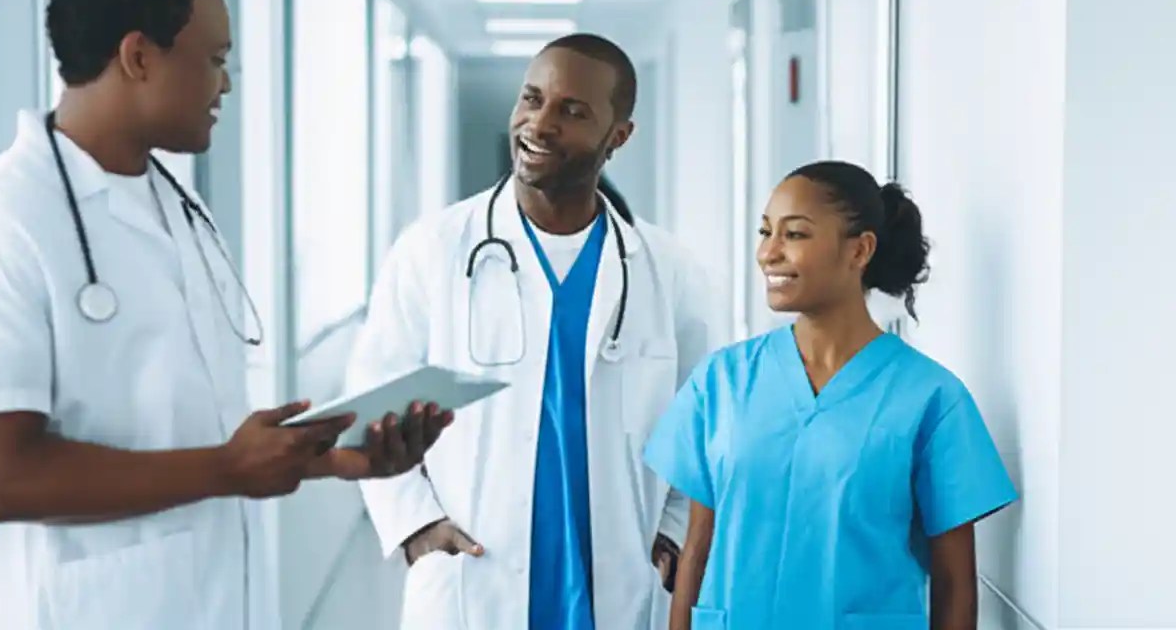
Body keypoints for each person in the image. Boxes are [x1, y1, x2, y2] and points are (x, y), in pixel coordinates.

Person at [0, 0, 450, 630]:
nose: (226, 82)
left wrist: (332, 460)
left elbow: (192, 429)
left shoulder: (178, 208)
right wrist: (228, 469)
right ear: (138, 56)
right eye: (215, 58)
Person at [348, 34, 722, 630]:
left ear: (617, 136)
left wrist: (674, 532)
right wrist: (414, 525)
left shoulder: (668, 271)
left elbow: (704, 428)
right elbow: (375, 404)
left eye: (573, 111)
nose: (539, 124)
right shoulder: (433, 249)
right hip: (474, 575)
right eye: (532, 98)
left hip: (619, 583)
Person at [644, 160, 1018, 629]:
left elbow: (956, 585)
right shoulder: (723, 381)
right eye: (765, 232)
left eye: (795, 235)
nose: (768, 253)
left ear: (860, 250)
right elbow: (698, 549)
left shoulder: (930, 399)